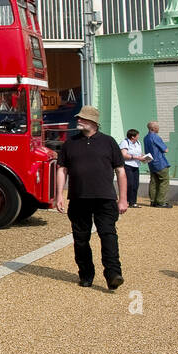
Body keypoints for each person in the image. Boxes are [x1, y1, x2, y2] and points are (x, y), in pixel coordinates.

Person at [55, 104, 126, 290]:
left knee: (108, 236)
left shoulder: (109, 142)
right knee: (80, 239)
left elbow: (121, 171)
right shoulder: (70, 143)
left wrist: (123, 198)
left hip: (105, 198)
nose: (78, 120)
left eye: (83, 118)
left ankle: (113, 274)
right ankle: (86, 275)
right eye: (78, 117)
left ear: (93, 122)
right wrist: (59, 195)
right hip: (79, 198)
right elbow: (62, 170)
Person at [117, 128, 149, 207]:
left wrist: (144, 157)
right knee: (129, 184)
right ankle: (126, 201)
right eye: (137, 135)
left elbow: (139, 153)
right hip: (127, 165)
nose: (138, 137)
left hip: (136, 166)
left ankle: (133, 202)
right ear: (132, 137)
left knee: (135, 184)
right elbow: (124, 155)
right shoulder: (125, 142)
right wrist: (137, 158)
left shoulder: (138, 143)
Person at [144, 121, 172, 208]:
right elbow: (165, 149)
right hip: (160, 163)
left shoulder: (146, 138)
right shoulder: (156, 137)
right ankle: (161, 201)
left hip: (151, 163)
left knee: (153, 182)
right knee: (164, 181)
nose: (158, 128)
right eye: (158, 127)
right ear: (154, 128)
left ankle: (153, 201)